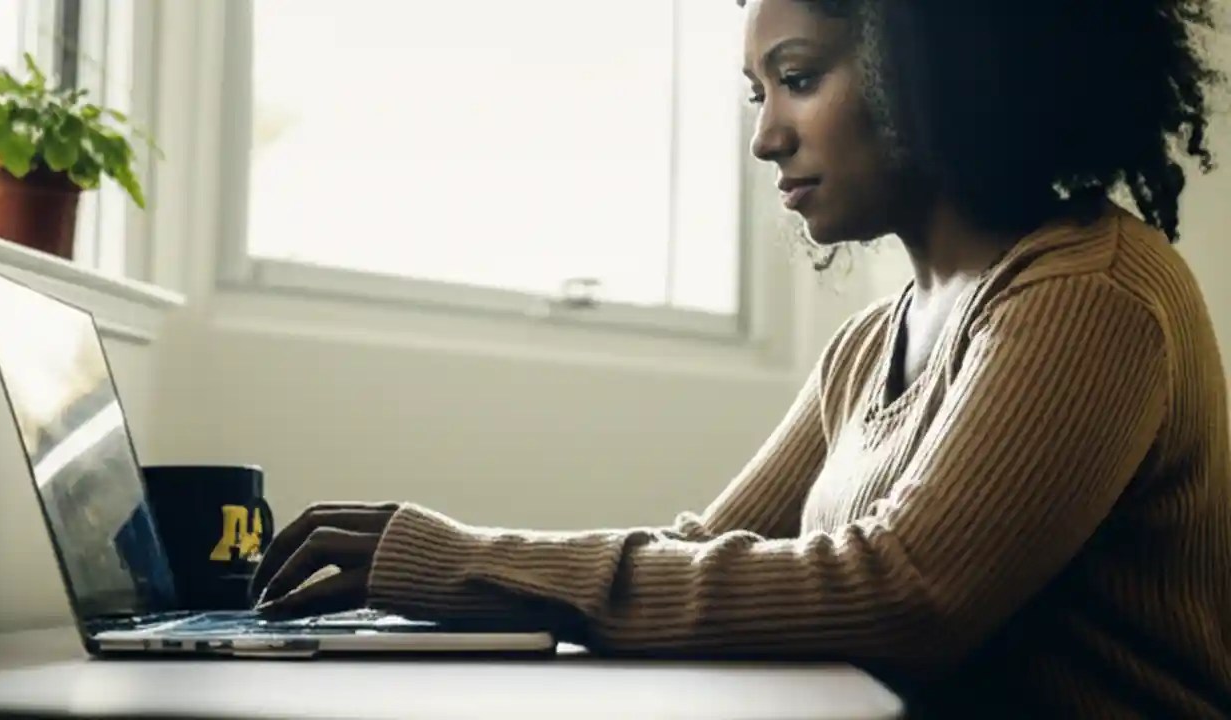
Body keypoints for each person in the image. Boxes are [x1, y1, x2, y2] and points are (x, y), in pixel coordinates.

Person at [248, 0, 1231, 716]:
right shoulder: (866, 346)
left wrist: (462, 560)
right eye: (757, 93)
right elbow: (703, 551)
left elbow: (901, 596)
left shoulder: (1090, 294)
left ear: (932, 67)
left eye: (797, 79)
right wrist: (437, 586)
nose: (765, 138)